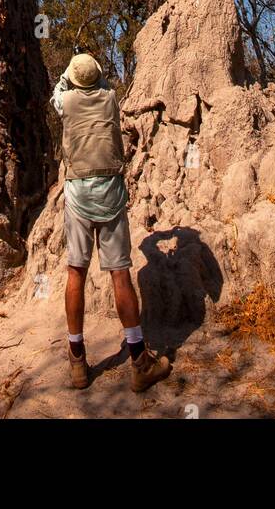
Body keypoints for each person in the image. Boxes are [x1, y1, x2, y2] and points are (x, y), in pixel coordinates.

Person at [51, 50, 171, 393]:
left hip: (77, 193)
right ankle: (139, 361)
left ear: (73, 81)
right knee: (120, 273)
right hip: (110, 191)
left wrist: (69, 71)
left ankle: (77, 362)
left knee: (75, 271)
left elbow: (57, 92)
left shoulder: (66, 102)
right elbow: (99, 83)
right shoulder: (110, 98)